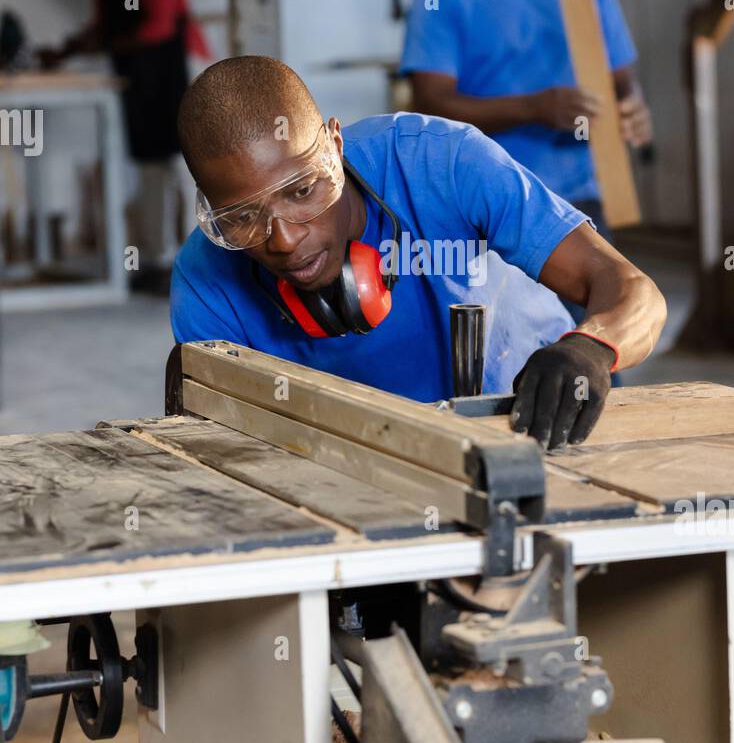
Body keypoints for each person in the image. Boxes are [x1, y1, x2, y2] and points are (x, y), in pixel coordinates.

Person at [171, 57, 666, 450]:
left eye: (302, 192)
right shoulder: (204, 282)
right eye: (240, 218)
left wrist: (590, 348)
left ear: (335, 147)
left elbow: (631, 290)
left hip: (535, 428)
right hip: (361, 464)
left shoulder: (443, 161)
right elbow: (228, 449)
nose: (281, 240)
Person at [401, 0, 653, 280]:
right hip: (484, 203)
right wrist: (536, 108)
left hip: (578, 203)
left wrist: (631, 103)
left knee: (586, 339)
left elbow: (619, 76)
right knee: (497, 344)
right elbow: (431, 103)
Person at [38, 0, 211, 293]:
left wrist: (112, 44)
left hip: (169, 64)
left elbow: (159, 25)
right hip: (137, 71)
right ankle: (157, 259)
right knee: (148, 164)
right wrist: (65, 50)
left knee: (183, 166)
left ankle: (194, 264)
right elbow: (104, 23)